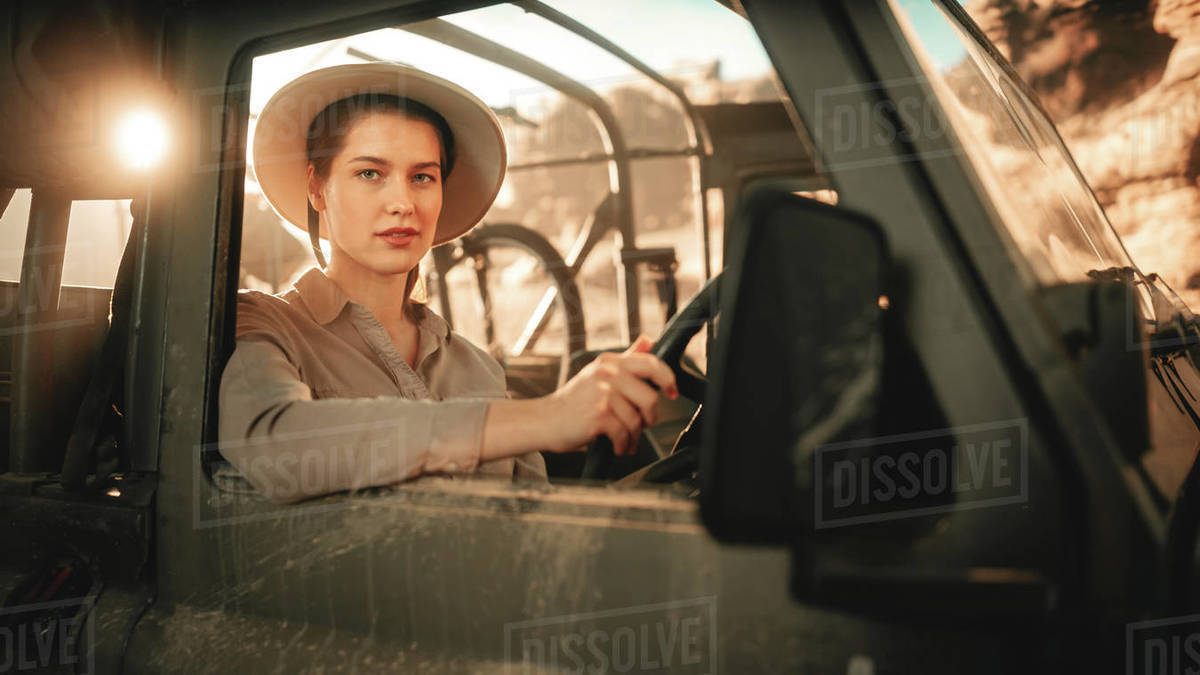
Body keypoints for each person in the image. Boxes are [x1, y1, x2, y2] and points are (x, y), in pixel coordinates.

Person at [218, 63, 677, 503]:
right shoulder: (263, 324)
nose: (402, 202)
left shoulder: (478, 368)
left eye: (422, 177)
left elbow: (529, 523)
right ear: (317, 188)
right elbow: (275, 445)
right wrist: (551, 414)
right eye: (369, 173)